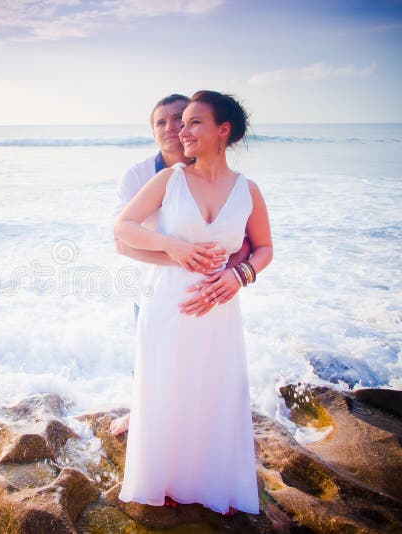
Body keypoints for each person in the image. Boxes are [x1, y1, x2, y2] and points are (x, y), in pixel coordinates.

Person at [113, 90, 272, 516]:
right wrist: (174, 248)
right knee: (164, 386)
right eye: (178, 123)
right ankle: (162, 478)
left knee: (215, 389)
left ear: (223, 131)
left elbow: (263, 248)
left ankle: (214, 482)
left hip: (219, 307)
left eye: (192, 122)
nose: (181, 131)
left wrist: (238, 276)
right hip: (166, 302)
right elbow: (123, 228)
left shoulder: (248, 190)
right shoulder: (167, 179)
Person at [110, 94, 251, 436]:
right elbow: (121, 241)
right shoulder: (141, 174)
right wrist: (179, 256)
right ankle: (142, 412)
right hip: (154, 281)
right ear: (153, 132)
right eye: (162, 122)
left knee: (203, 362)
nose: (173, 127)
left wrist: (229, 273)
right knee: (152, 358)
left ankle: (201, 430)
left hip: (208, 285)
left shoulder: (215, 172)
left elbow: (244, 237)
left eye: (180, 119)